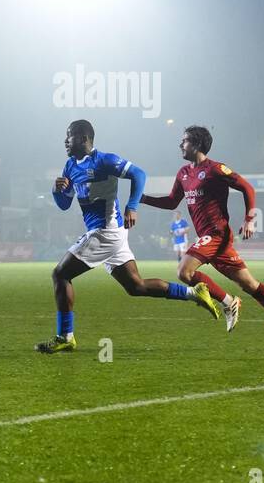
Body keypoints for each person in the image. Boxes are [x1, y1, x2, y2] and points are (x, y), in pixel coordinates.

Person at [38, 120, 221, 354]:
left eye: (70, 136)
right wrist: (57, 191)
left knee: (60, 274)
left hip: (106, 231)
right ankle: (194, 292)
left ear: (84, 138)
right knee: (136, 286)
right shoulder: (70, 166)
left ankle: (65, 336)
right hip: (110, 234)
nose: (65, 140)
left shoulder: (104, 160)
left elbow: (138, 174)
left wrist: (132, 205)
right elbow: (64, 205)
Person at [142, 125, 264, 352]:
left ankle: (229, 302)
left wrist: (249, 218)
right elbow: (171, 202)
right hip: (209, 239)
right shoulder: (183, 173)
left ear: (197, 144)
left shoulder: (215, 169)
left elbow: (247, 187)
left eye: (185, 140)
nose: (181, 144)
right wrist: (143, 198)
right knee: (250, 284)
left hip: (216, 234)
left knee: (183, 272)